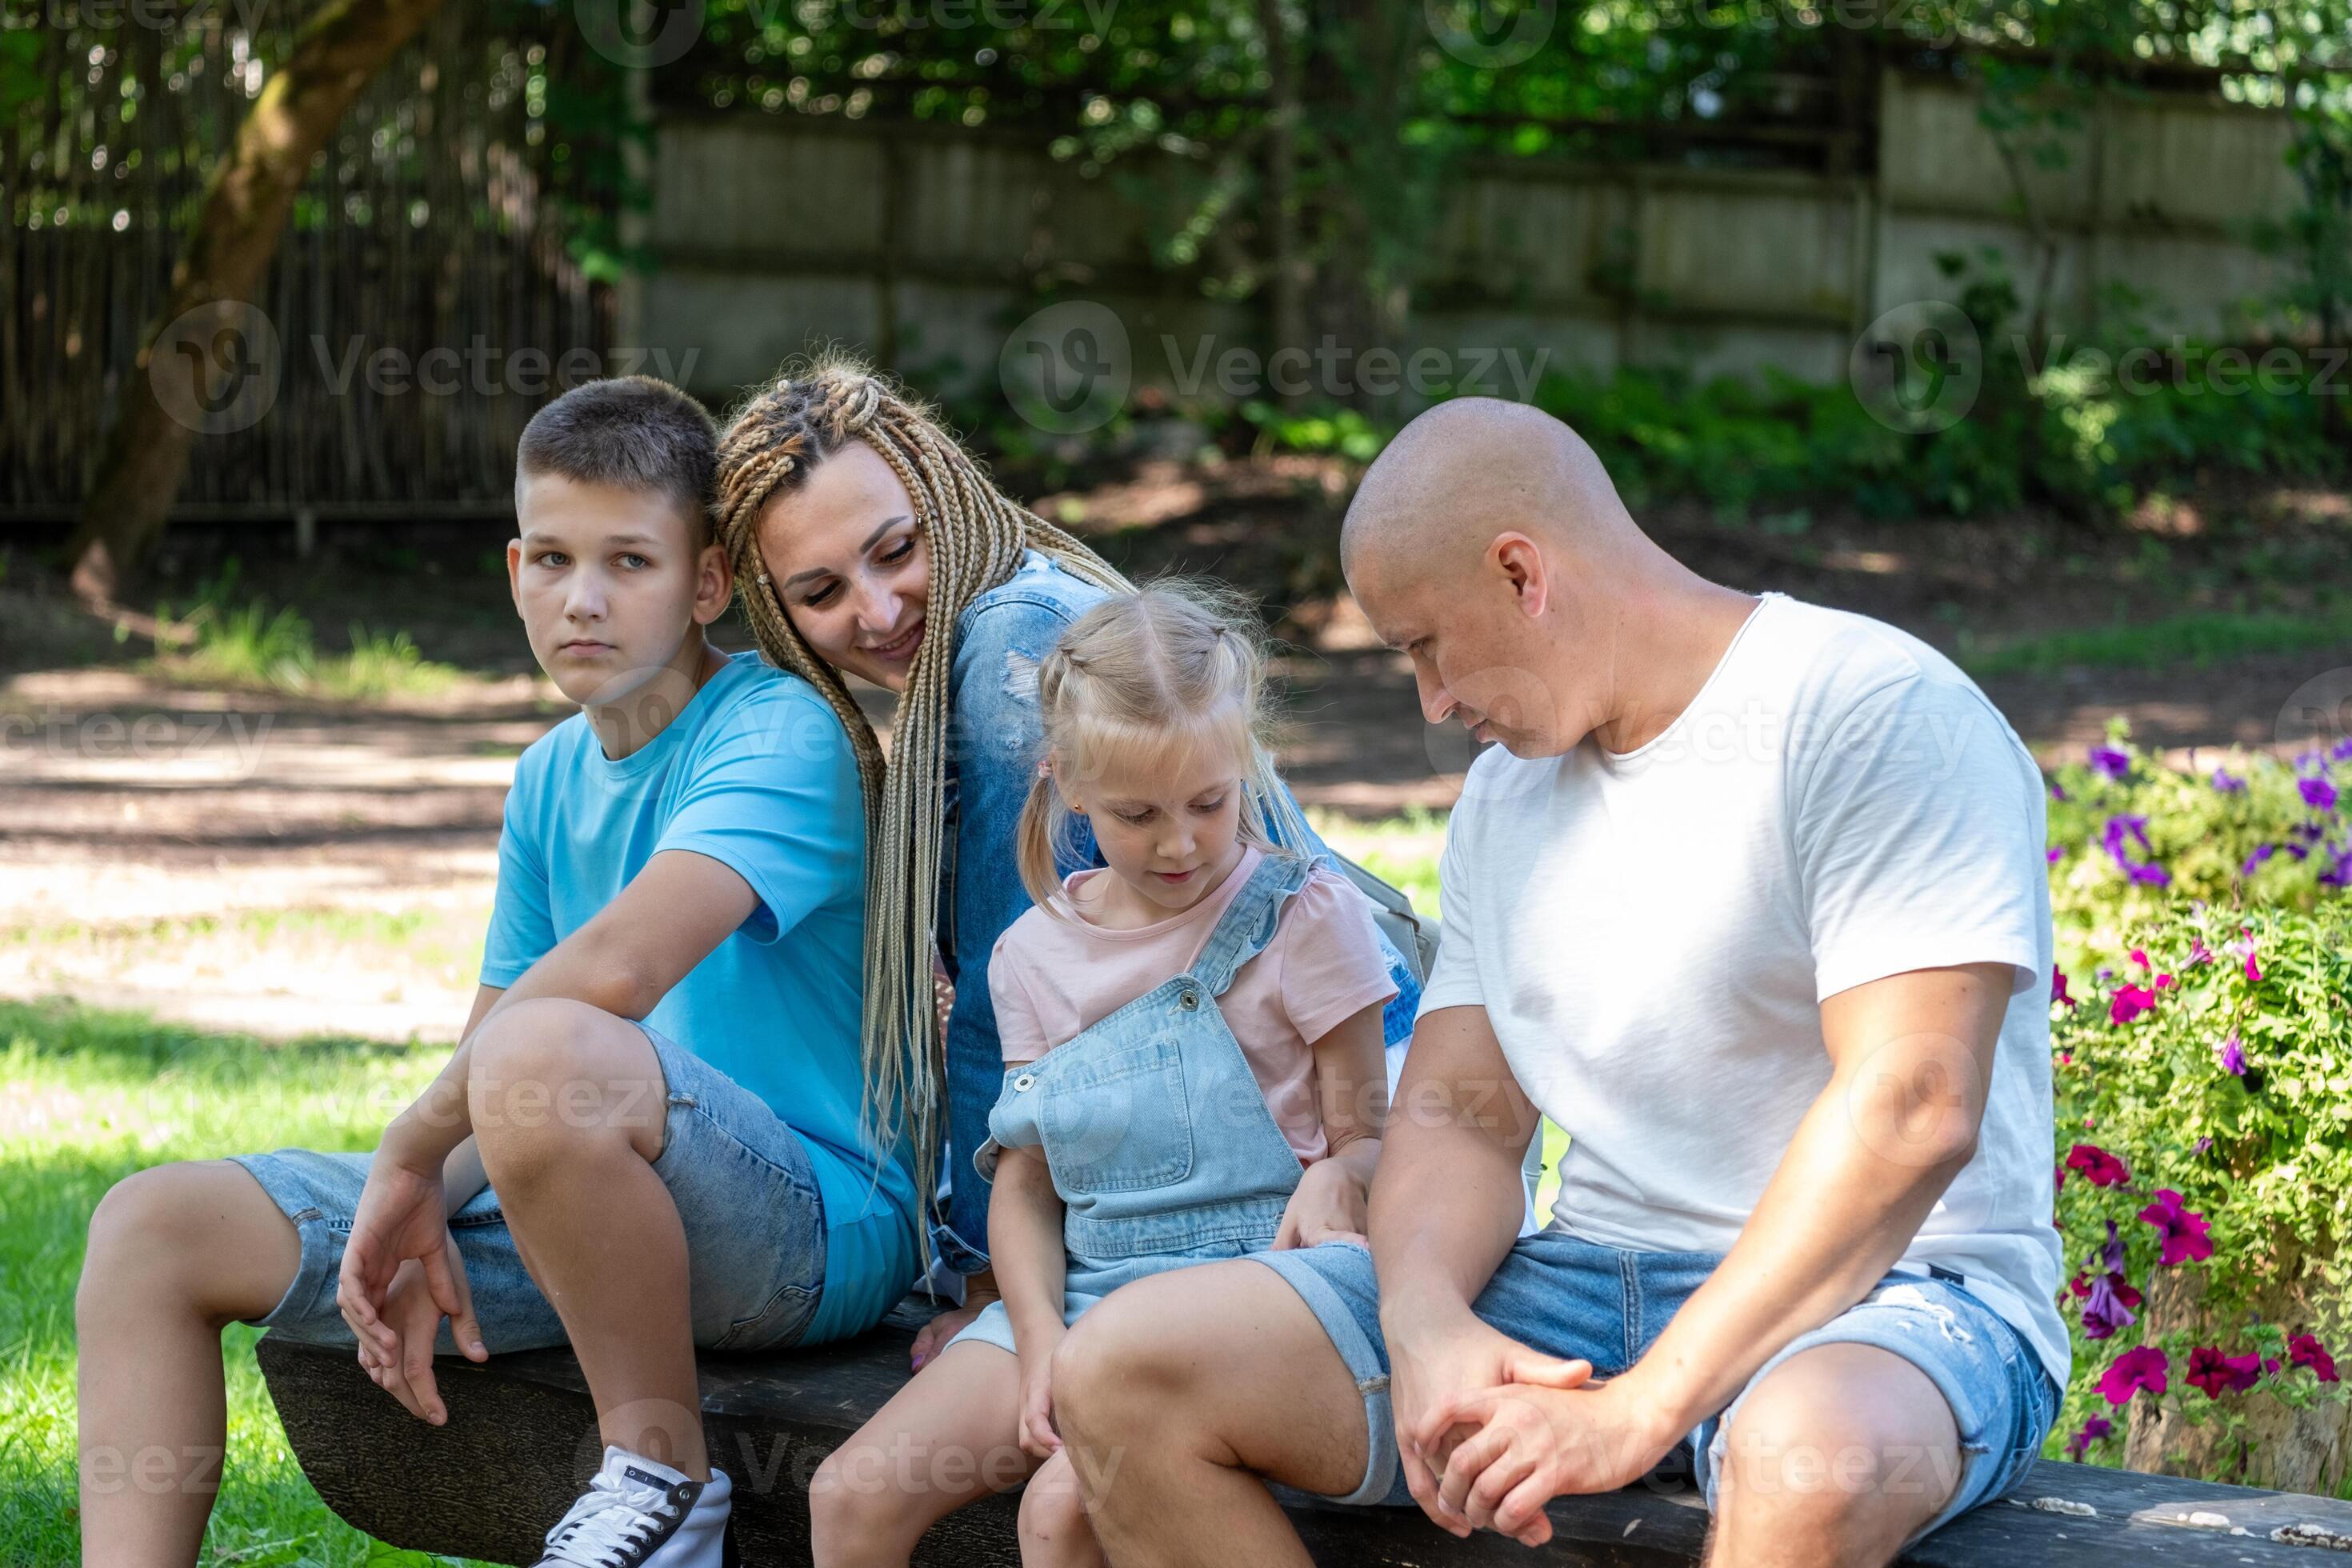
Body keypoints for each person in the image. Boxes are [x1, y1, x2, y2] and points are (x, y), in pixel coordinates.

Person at [1043, 397, 2067, 1568]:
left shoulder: (1875, 713)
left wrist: (1639, 1411)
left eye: (1424, 645)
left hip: (1892, 1300)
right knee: (1126, 1374)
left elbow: (1913, 1103)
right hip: (1587, 1291)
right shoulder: (1506, 797)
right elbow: (1460, 1120)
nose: (1431, 703)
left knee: (1800, 1461)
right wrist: (1425, 1324)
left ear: (1523, 574)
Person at [76, 378, 920, 1568]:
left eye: (632, 561)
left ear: (710, 581)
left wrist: (413, 1150)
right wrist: (413, 1200)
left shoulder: (781, 729)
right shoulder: (548, 780)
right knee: (152, 1226)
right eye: (555, 561)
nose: (585, 600)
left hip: (814, 1230)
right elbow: (497, 1045)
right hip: (585, 1206)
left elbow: (614, 974)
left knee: (542, 1053)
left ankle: (664, 1478)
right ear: (515, 567)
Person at [709, 357, 1422, 1364]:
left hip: (1320, 1122)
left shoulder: (1012, 655)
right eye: (822, 590)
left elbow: (1012, 996)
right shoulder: (987, 627)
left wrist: (990, 1280)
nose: (875, 612)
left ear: (943, 494)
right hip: (1235, 1115)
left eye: (896, 550)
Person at [803, 584, 1397, 1566]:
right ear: (1069, 785)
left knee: (1064, 1510)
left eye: (1211, 801)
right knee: (850, 1495)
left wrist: (1352, 1162)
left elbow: (1370, 1131)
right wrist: (1038, 1342)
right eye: (1137, 812)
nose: (1182, 842)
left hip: (1251, 1303)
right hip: (1084, 1291)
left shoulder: (1306, 917)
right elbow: (1027, 1187)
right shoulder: (1033, 955)